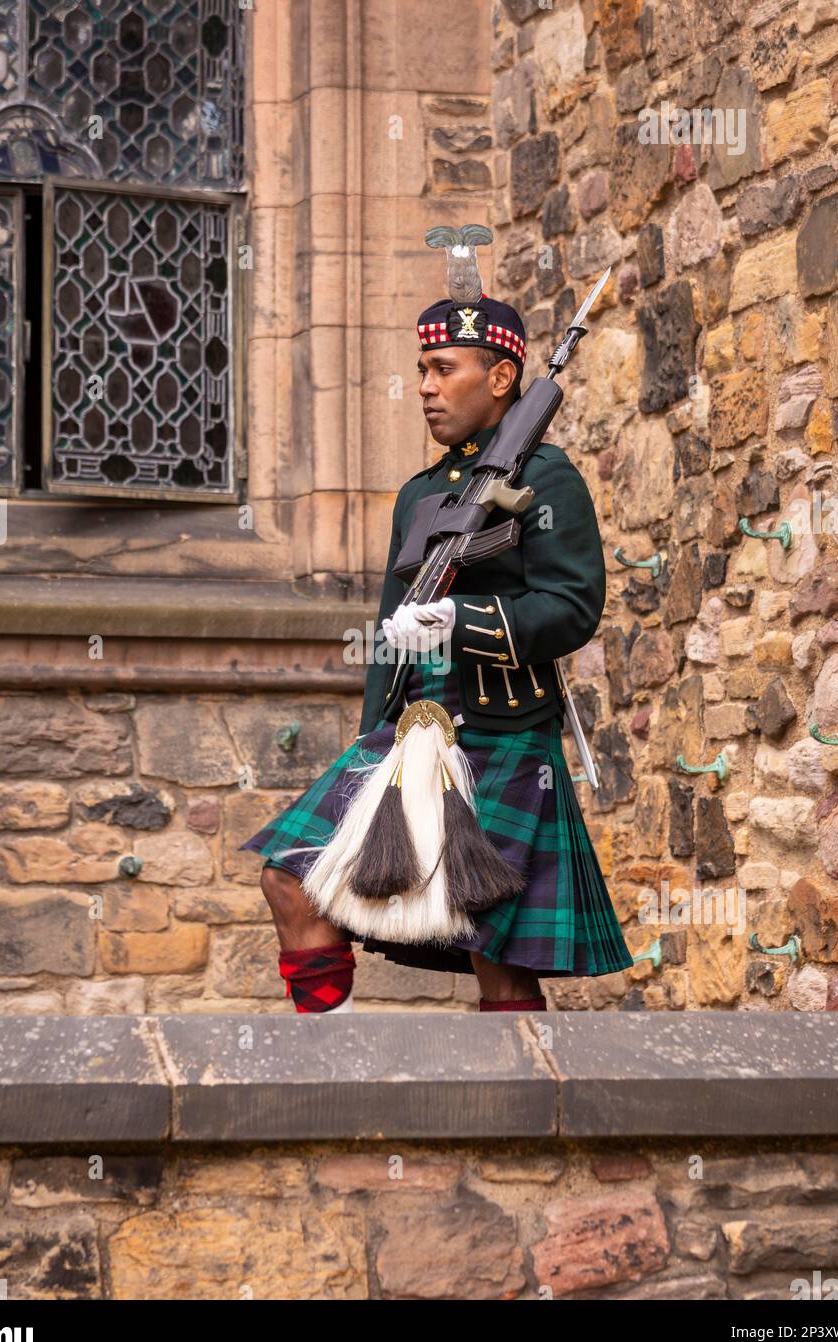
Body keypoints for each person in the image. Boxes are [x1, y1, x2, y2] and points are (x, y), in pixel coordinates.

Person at [238, 284, 633, 1012]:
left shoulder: (546, 479)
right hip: (409, 730)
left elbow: (571, 608)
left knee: (492, 946)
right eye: (421, 369)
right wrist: (370, 740)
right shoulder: (419, 493)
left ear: (502, 377)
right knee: (290, 876)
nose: (424, 387)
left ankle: (520, 1112)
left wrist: (462, 618)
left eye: (444, 368)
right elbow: (390, 631)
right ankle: (332, 1069)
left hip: (503, 735)